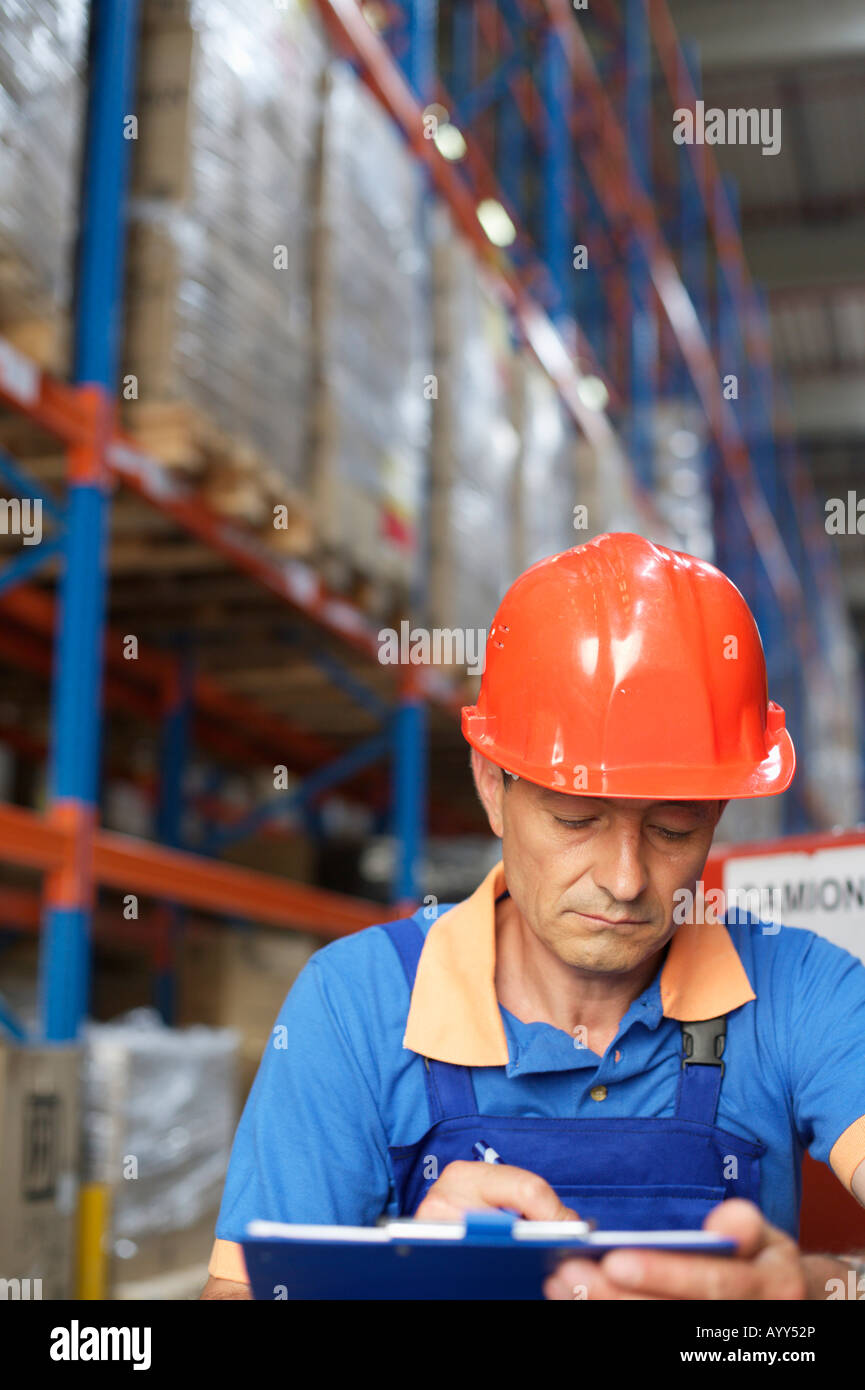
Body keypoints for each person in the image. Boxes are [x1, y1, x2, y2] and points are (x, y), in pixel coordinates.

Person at [201, 532, 865, 1300]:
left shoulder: (799, 989)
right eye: (576, 820)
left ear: (718, 811)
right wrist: (396, 1280)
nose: (623, 881)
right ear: (492, 785)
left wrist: (811, 1293)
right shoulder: (355, 1004)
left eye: (672, 829)